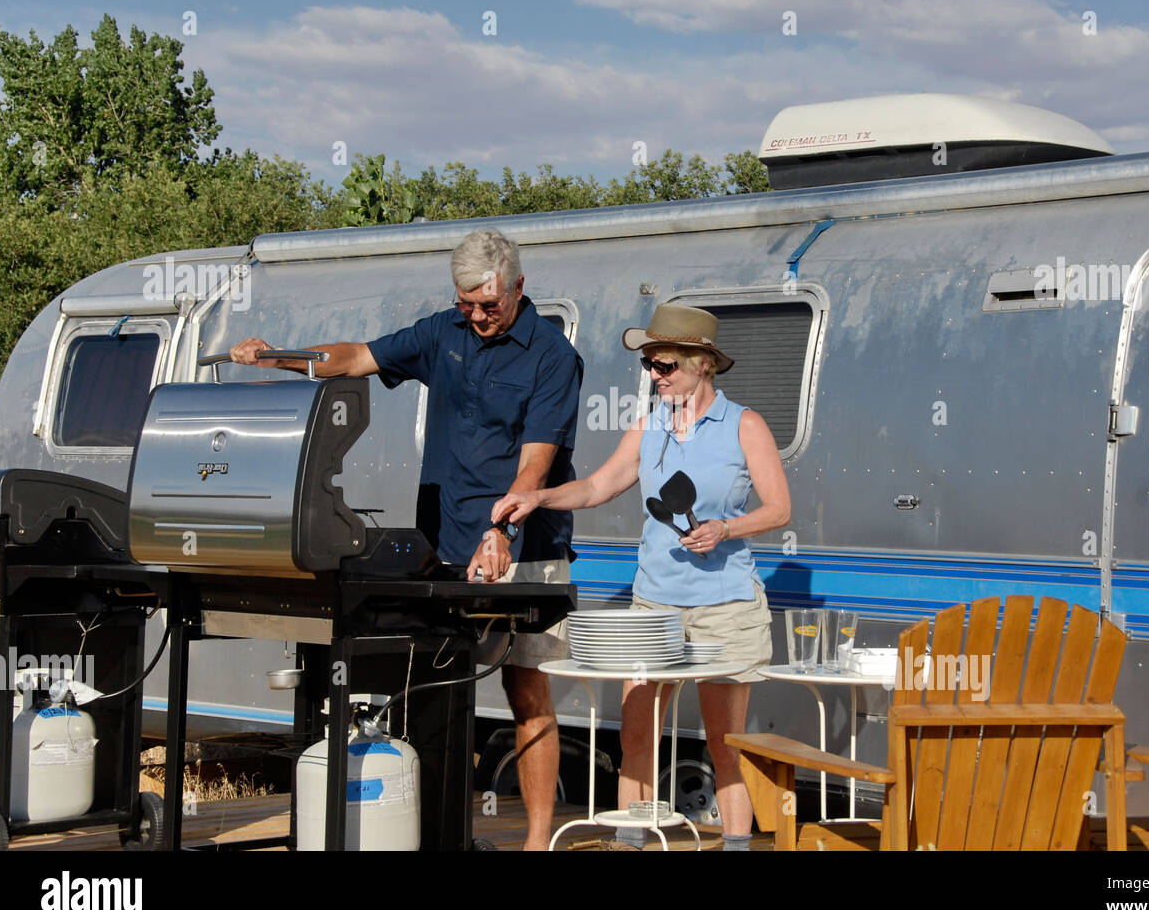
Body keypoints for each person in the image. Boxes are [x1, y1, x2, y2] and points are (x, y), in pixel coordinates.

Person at [229, 228, 583, 851]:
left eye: (488, 306)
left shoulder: (552, 355)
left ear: (520, 288)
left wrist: (502, 528)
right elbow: (356, 357)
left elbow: (537, 460)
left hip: (525, 546)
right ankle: (438, 830)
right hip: (442, 540)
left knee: (524, 686)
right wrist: (277, 356)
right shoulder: (440, 333)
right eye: (465, 304)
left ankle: (533, 841)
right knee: (435, 682)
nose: (475, 316)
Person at [492, 304, 790, 850]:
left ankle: (737, 845)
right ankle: (629, 842)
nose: (655, 375)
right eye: (650, 364)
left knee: (725, 743)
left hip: (725, 606)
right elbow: (597, 487)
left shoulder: (745, 424)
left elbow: (779, 509)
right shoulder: (649, 426)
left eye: (666, 365)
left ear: (703, 363)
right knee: (636, 737)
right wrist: (538, 496)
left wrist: (725, 528)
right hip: (653, 609)